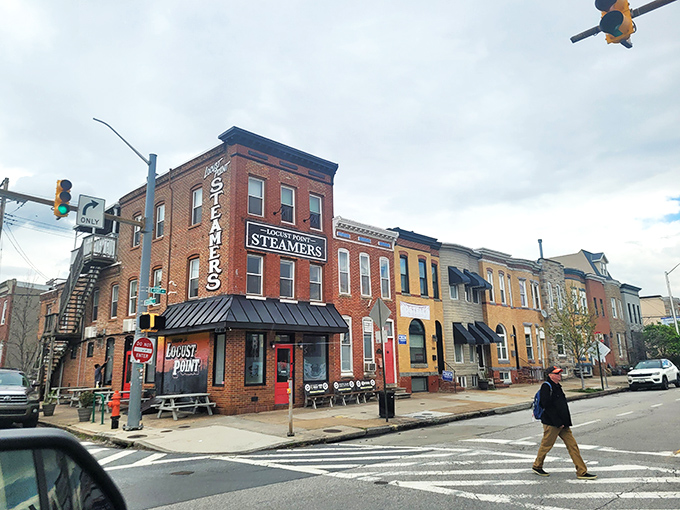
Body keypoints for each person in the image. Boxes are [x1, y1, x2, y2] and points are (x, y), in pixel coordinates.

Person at [532, 366, 597, 480]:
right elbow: (546, 406)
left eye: (560, 373)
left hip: (563, 424)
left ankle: (582, 471)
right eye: (556, 373)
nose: (559, 375)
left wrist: (564, 422)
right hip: (552, 423)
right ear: (550, 375)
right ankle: (537, 466)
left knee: (573, 446)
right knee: (546, 446)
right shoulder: (546, 387)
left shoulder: (557, 386)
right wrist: (557, 422)